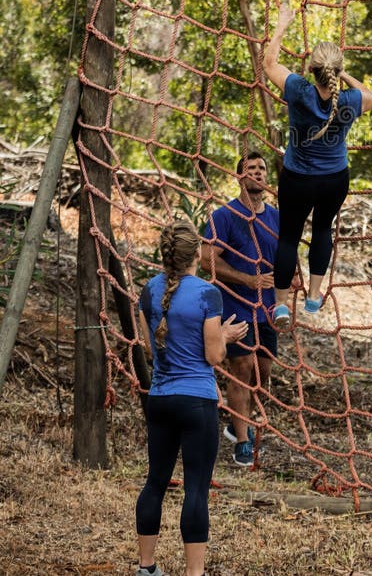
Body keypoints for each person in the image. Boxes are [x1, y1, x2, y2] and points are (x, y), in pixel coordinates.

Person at [135, 219, 247, 576]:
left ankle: (146, 568)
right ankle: (194, 574)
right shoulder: (206, 293)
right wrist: (225, 336)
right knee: (195, 489)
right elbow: (214, 357)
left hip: (160, 399)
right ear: (196, 254)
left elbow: (153, 351)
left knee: (155, 481)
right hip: (196, 401)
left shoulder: (148, 292)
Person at [262, 2, 372, 326]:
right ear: (336, 70)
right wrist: (345, 75)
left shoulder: (298, 90)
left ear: (312, 69)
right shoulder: (351, 101)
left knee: (288, 237)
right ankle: (313, 297)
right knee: (323, 229)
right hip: (334, 180)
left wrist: (283, 23)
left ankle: (282, 306)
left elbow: (269, 63)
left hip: (297, 179)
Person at [201, 152, 279, 467]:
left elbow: (284, 258)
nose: (258, 173)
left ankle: (236, 423)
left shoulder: (276, 217)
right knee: (243, 369)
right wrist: (248, 279)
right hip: (235, 306)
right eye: (251, 169)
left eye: (262, 168)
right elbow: (207, 258)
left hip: (269, 309)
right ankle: (243, 444)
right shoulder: (225, 215)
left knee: (263, 373)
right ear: (239, 177)